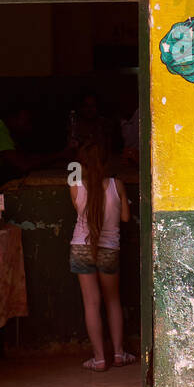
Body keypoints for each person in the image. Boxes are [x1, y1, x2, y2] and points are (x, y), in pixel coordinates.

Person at [68, 133, 133, 371]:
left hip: (81, 248)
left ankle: (99, 359)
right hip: (109, 249)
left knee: (91, 304)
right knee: (113, 301)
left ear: (82, 163)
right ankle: (118, 354)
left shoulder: (75, 186)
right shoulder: (117, 185)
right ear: (107, 161)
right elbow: (125, 217)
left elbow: (78, 205)